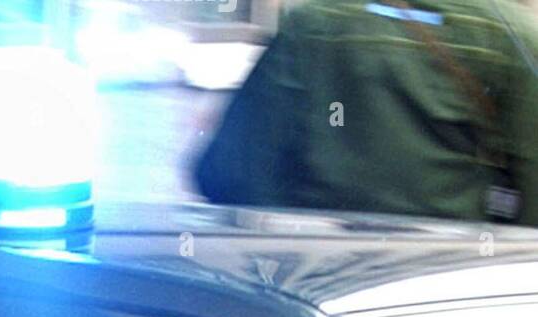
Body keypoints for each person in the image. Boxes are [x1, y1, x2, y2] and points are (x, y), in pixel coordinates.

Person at [194, 0, 538, 225]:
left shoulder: (315, 22)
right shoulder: (512, 36)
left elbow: (230, 173)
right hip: (453, 286)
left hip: (328, 283)